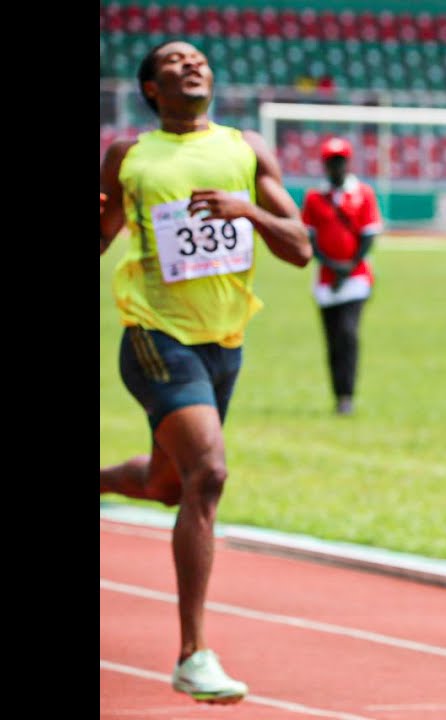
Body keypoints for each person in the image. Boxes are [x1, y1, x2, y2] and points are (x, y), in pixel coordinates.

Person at [98, 40, 311, 704]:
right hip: (156, 334)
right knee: (208, 472)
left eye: (198, 58)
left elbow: (301, 247)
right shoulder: (129, 157)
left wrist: (245, 209)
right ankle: (193, 655)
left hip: (226, 342)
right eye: (173, 61)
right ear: (151, 89)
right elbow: (103, 230)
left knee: (169, 485)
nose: (191, 65)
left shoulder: (246, 148)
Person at [301, 137, 383, 415]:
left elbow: (369, 235)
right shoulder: (314, 197)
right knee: (333, 339)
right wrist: (332, 265)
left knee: (348, 334)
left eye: (340, 160)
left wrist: (349, 265)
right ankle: (338, 394)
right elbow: (310, 239)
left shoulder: (363, 193)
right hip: (326, 280)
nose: (336, 166)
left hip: (356, 279)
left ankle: (347, 395)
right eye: (331, 161)